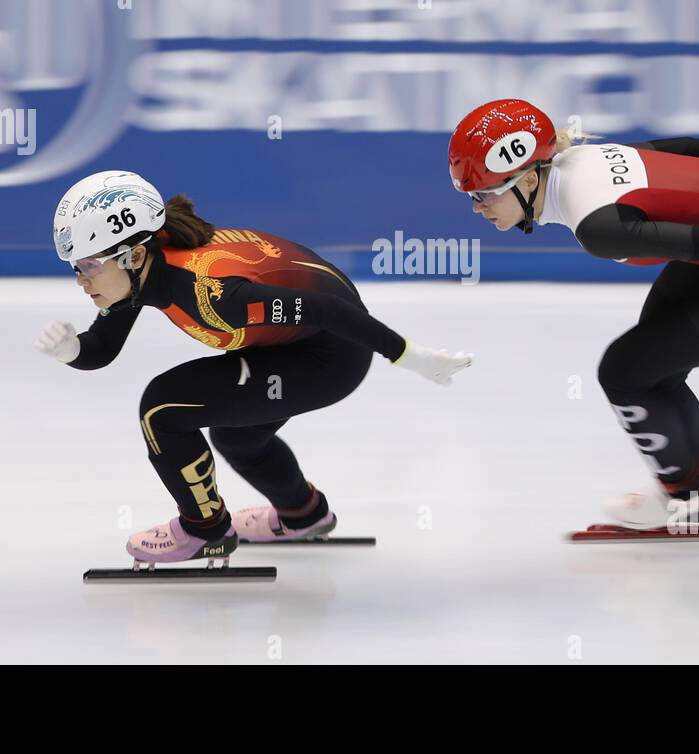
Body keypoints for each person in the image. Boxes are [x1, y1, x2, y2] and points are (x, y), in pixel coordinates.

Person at [447, 99, 699, 529]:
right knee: (650, 368)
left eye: (485, 193)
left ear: (528, 181)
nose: (477, 207)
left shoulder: (599, 227)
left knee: (624, 371)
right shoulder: (580, 159)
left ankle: (690, 493)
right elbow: (691, 147)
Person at [34, 170, 473, 562]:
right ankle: (302, 514)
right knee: (238, 435)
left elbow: (325, 311)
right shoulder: (149, 264)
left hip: (330, 356)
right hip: (298, 343)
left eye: (89, 265)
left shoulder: (212, 297)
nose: (80, 279)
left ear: (133, 255)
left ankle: (205, 530)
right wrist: (72, 349)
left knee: (162, 409)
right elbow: (102, 348)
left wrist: (412, 357)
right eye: (75, 266)